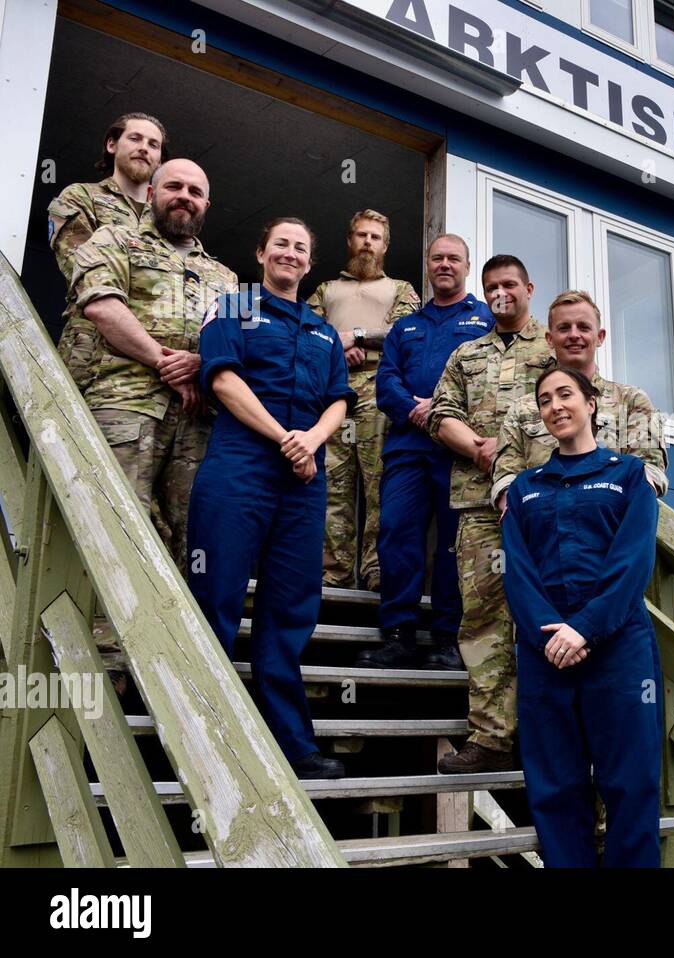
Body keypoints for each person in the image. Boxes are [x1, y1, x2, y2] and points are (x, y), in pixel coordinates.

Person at [187, 218, 355, 780]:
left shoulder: (324, 332)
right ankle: (203, 740)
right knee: (217, 599)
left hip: (303, 481)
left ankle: (291, 744)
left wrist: (310, 439)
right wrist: (283, 436)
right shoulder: (233, 305)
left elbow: (340, 401)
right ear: (261, 253)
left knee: (290, 610)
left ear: (309, 265)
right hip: (239, 467)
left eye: (301, 248)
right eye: (280, 243)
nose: (290, 253)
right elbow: (223, 378)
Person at [501, 366, 662, 867]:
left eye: (565, 394)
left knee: (630, 784)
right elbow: (518, 571)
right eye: (545, 400)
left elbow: (632, 562)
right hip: (544, 649)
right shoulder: (525, 488)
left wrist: (585, 628)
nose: (555, 406)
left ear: (592, 404)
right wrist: (552, 633)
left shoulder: (627, 476)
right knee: (555, 789)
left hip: (618, 650)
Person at [426, 254, 552, 774]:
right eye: (491, 287)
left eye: (509, 285)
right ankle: (491, 738)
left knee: (546, 618)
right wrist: (480, 448)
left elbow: (572, 411)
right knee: (483, 621)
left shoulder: (554, 348)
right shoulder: (465, 353)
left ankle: (545, 738)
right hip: (478, 505)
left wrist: (513, 451)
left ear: (528, 287)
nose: (501, 293)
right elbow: (439, 414)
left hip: (544, 504)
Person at [360, 234, 493, 670]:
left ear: (466, 266)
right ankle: (398, 633)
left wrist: (445, 415)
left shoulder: (485, 320)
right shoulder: (406, 326)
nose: (444, 264)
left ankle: (448, 638)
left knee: (456, 544)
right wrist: (419, 413)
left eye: (453, 258)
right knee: (398, 533)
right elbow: (387, 382)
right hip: (407, 449)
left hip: (459, 452)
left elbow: (489, 382)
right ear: (428, 265)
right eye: (437, 258)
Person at [306, 209, 421, 591]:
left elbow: (402, 332)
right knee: (333, 485)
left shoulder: (401, 288)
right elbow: (305, 333)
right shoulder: (325, 290)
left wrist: (352, 336)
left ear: (385, 246)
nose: (367, 243)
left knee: (379, 484)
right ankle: (333, 572)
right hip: (333, 390)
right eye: (361, 235)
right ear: (349, 241)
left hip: (378, 391)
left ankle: (376, 571)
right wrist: (335, 350)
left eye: (375, 237)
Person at [492, 289, 668, 508]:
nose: (574, 334)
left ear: (600, 336)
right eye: (564, 328)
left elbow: (649, 471)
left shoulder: (632, 402)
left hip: (609, 528)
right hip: (538, 527)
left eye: (583, 327)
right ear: (549, 339)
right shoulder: (523, 409)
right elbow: (506, 478)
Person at [50, 112, 167, 391]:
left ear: (160, 159)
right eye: (135, 138)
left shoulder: (167, 219)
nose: (144, 148)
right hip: (93, 353)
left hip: (156, 357)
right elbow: (82, 270)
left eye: (153, 144)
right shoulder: (80, 197)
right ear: (112, 145)